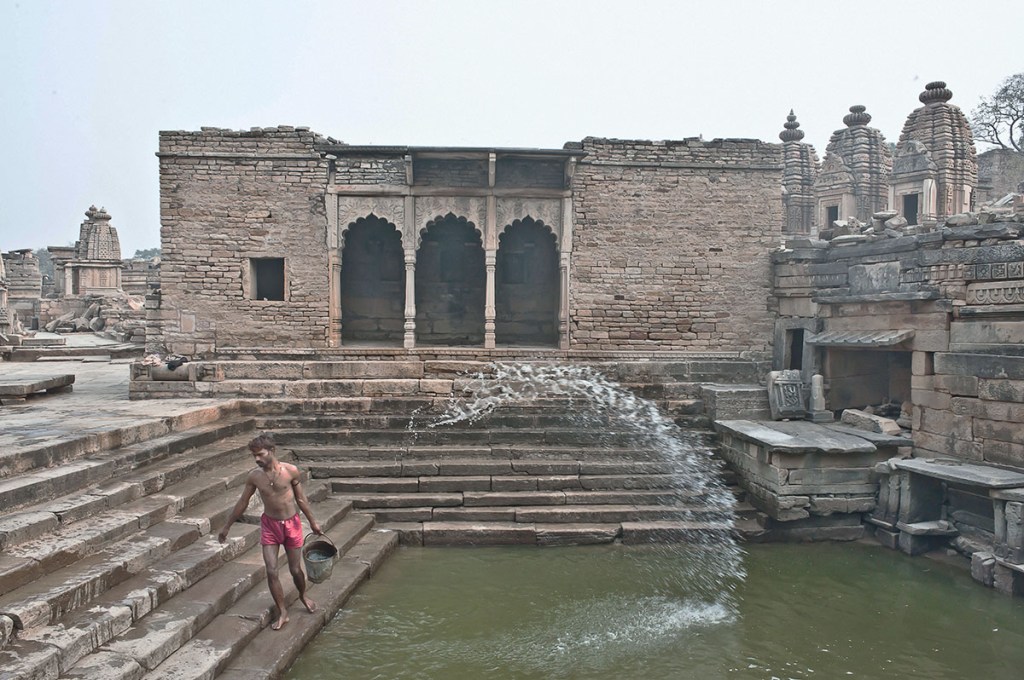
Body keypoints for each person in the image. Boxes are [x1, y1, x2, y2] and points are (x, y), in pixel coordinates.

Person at [218, 433, 323, 630]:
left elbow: (301, 500)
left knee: (295, 570)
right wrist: (227, 526)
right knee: (271, 570)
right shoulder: (255, 477)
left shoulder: (290, 471)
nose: (257, 459)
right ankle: (282, 611)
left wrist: (313, 522)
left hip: (292, 525)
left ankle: (302, 595)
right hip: (269, 526)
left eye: (260, 454)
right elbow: (243, 502)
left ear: (272, 451)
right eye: (254, 456)